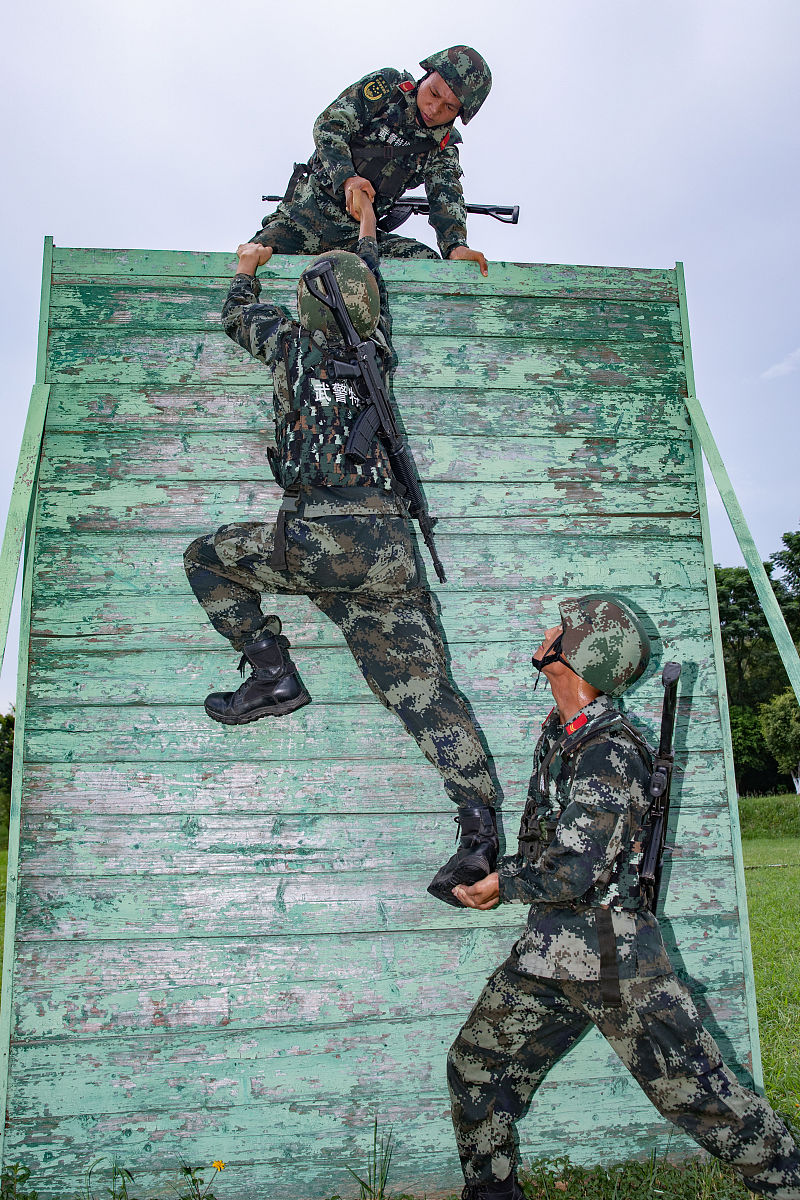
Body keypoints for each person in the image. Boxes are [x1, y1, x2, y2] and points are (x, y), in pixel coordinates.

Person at [184, 190, 498, 898]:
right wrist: (362, 227)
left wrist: (247, 265)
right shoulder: (376, 353)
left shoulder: (292, 347)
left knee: (205, 558)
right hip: (385, 548)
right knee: (427, 696)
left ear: (309, 310)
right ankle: (479, 831)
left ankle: (272, 674)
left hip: (316, 539)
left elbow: (237, 313)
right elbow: (367, 272)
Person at [446, 595, 800, 1200]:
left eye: (563, 626)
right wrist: (497, 871)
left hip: (612, 957)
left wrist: (503, 884)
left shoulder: (609, 749)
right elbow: (552, 849)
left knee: (704, 1100)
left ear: (578, 652)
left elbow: (576, 868)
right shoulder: (563, 736)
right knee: (476, 1068)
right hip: (550, 953)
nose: (550, 629)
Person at [249, 46, 492, 273]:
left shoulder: (442, 147)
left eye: (449, 107)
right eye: (434, 93)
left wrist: (455, 246)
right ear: (426, 76)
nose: (435, 108)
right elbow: (330, 125)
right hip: (302, 217)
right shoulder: (387, 89)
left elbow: (446, 194)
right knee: (249, 263)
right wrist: (347, 179)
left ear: (460, 113)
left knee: (424, 265)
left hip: (359, 237)